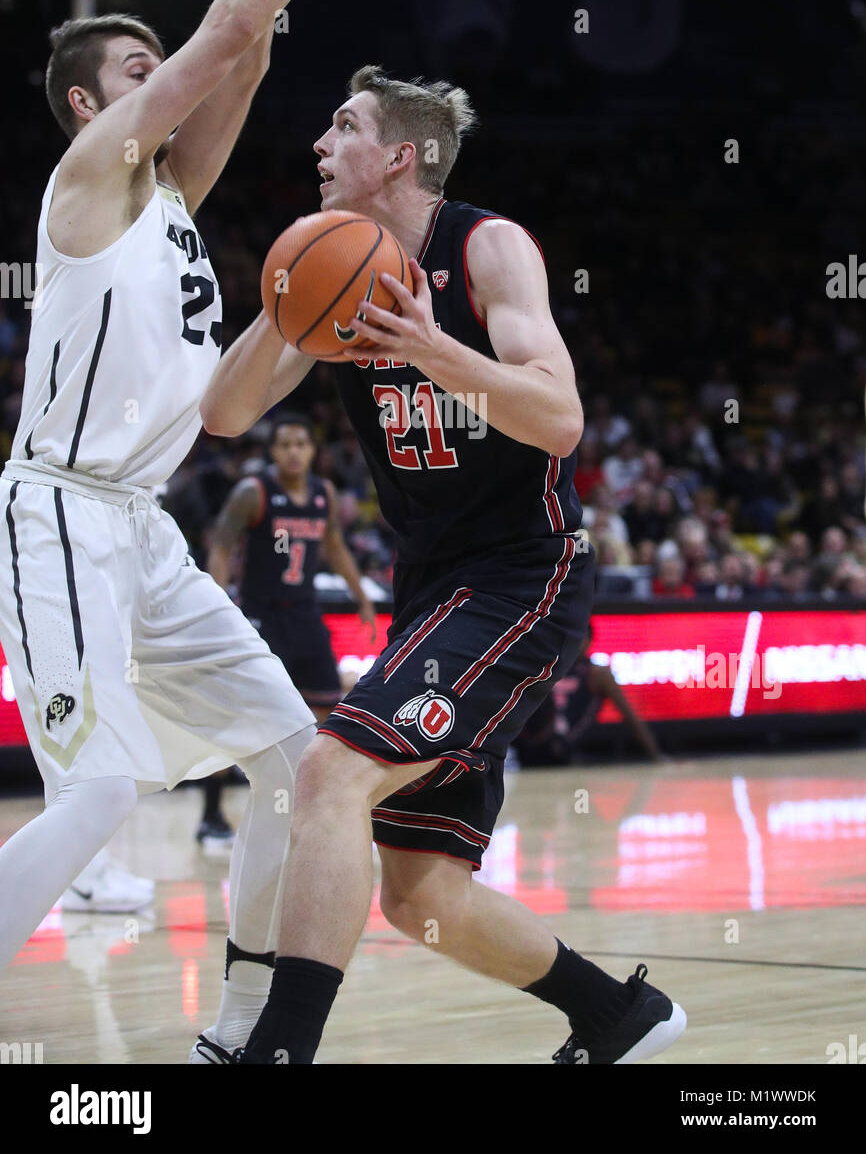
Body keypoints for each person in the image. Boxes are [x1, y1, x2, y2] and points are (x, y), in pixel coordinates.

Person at [202, 67, 687, 1064]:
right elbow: (223, 413)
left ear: (400, 155)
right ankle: (615, 1015)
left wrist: (431, 348)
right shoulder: (336, 264)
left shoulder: (486, 246)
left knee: (332, 771)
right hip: (434, 589)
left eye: (342, 127)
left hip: (522, 570)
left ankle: (278, 1050)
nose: (318, 146)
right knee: (418, 895)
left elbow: (558, 416)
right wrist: (286, 293)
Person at [0, 0, 356, 1065]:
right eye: (141, 71)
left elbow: (245, 51)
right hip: (57, 510)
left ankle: (243, 1031)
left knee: (292, 756)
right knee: (97, 791)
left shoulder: (172, 197)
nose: (171, 77)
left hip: (139, 530)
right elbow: (233, 25)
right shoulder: (91, 177)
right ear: (89, 107)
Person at [198, 414, 377, 845]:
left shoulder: (323, 494)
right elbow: (220, 545)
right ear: (273, 451)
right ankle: (211, 818)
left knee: (325, 715)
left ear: (313, 451)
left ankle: (311, 815)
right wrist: (217, 605)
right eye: (286, 444)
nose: (294, 451)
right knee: (238, 718)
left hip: (305, 614)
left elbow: (333, 544)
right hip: (261, 616)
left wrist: (363, 597)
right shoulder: (254, 491)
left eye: (302, 443)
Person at [516, 623, 664, 767]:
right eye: (567, 636)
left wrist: (655, 755)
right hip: (524, 749)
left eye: (578, 637)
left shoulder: (597, 674)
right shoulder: (542, 667)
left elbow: (631, 718)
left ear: (589, 641)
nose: (572, 641)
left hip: (561, 752)